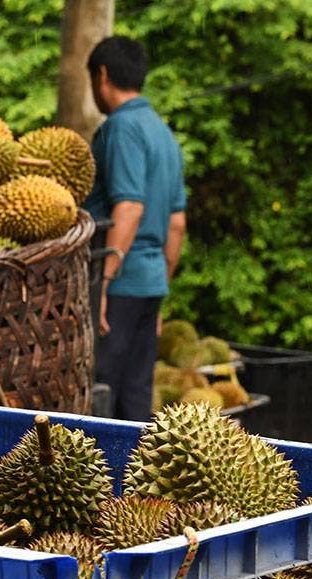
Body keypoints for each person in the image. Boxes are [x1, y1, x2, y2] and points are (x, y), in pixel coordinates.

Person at [83, 36, 187, 422]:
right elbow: (176, 225)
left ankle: (99, 480)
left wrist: (105, 283)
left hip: (119, 283)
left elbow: (129, 207)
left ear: (102, 75)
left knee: (100, 391)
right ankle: (133, 481)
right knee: (136, 395)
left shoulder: (121, 128)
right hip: (151, 284)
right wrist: (159, 287)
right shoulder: (163, 133)